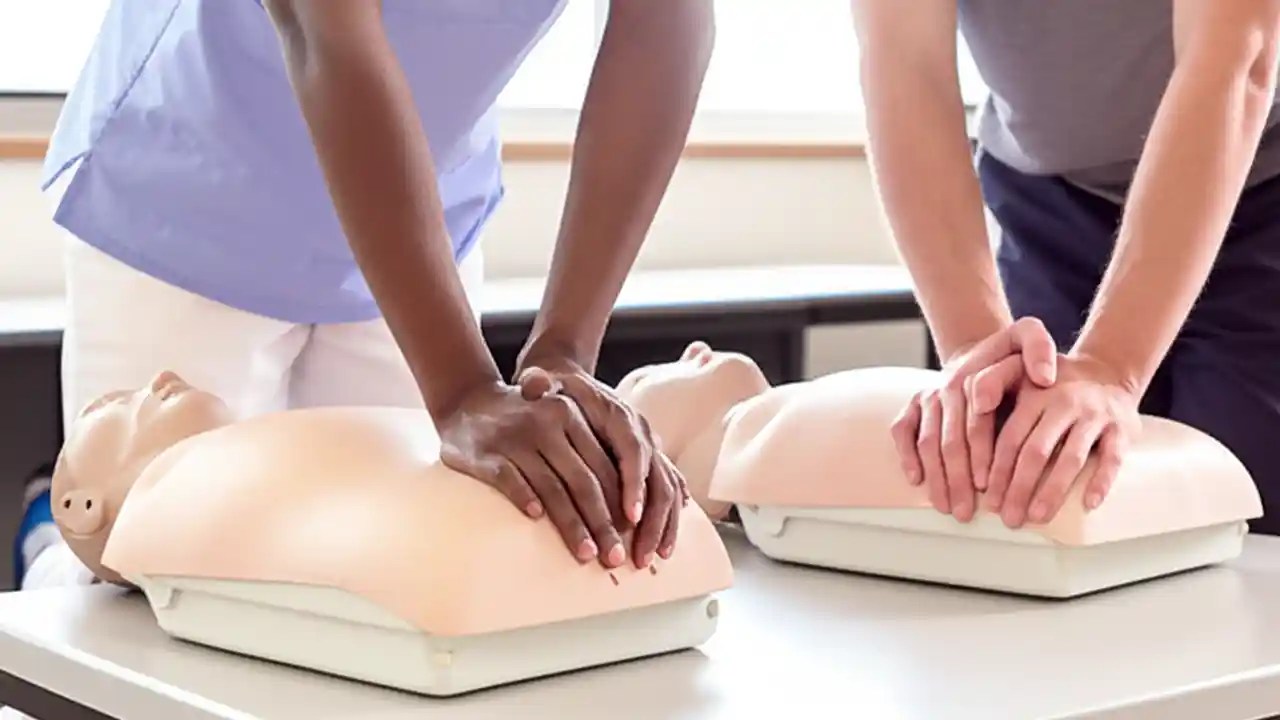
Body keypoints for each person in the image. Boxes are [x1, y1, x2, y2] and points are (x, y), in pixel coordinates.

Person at [13, 0, 716, 593]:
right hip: (194, 192)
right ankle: (50, 545)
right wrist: (463, 388)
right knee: (141, 573)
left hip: (421, 219)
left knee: (387, 581)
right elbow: (326, 30)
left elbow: (665, 21)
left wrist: (564, 354)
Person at [852, 2, 1280, 535]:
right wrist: (976, 363)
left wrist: (1112, 365)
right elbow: (903, 61)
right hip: (1047, 202)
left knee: (1245, 509)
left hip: (1259, 191)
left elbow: (1236, 57)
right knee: (1031, 493)